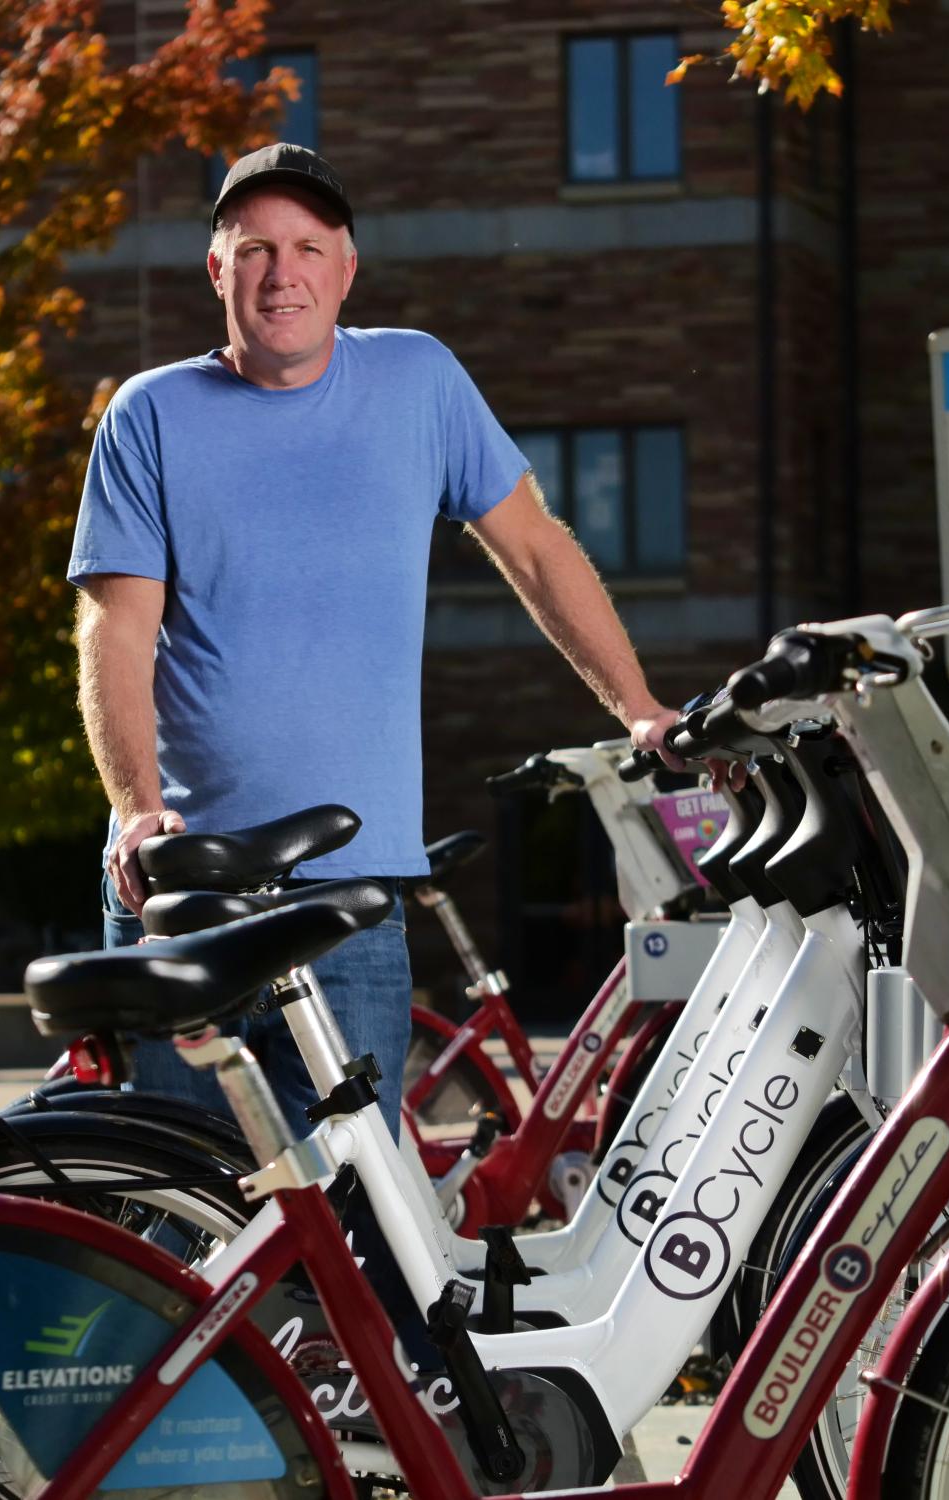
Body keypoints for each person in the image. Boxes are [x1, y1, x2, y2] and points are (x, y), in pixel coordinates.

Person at [68, 143, 682, 1136]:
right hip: (185, 886)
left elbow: (533, 549)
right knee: (173, 1193)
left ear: (346, 269)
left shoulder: (417, 379)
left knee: (359, 1197)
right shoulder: (151, 414)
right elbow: (117, 629)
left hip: (348, 892)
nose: (283, 273)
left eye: (308, 248)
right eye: (255, 249)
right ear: (217, 269)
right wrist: (137, 810)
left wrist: (639, 708)